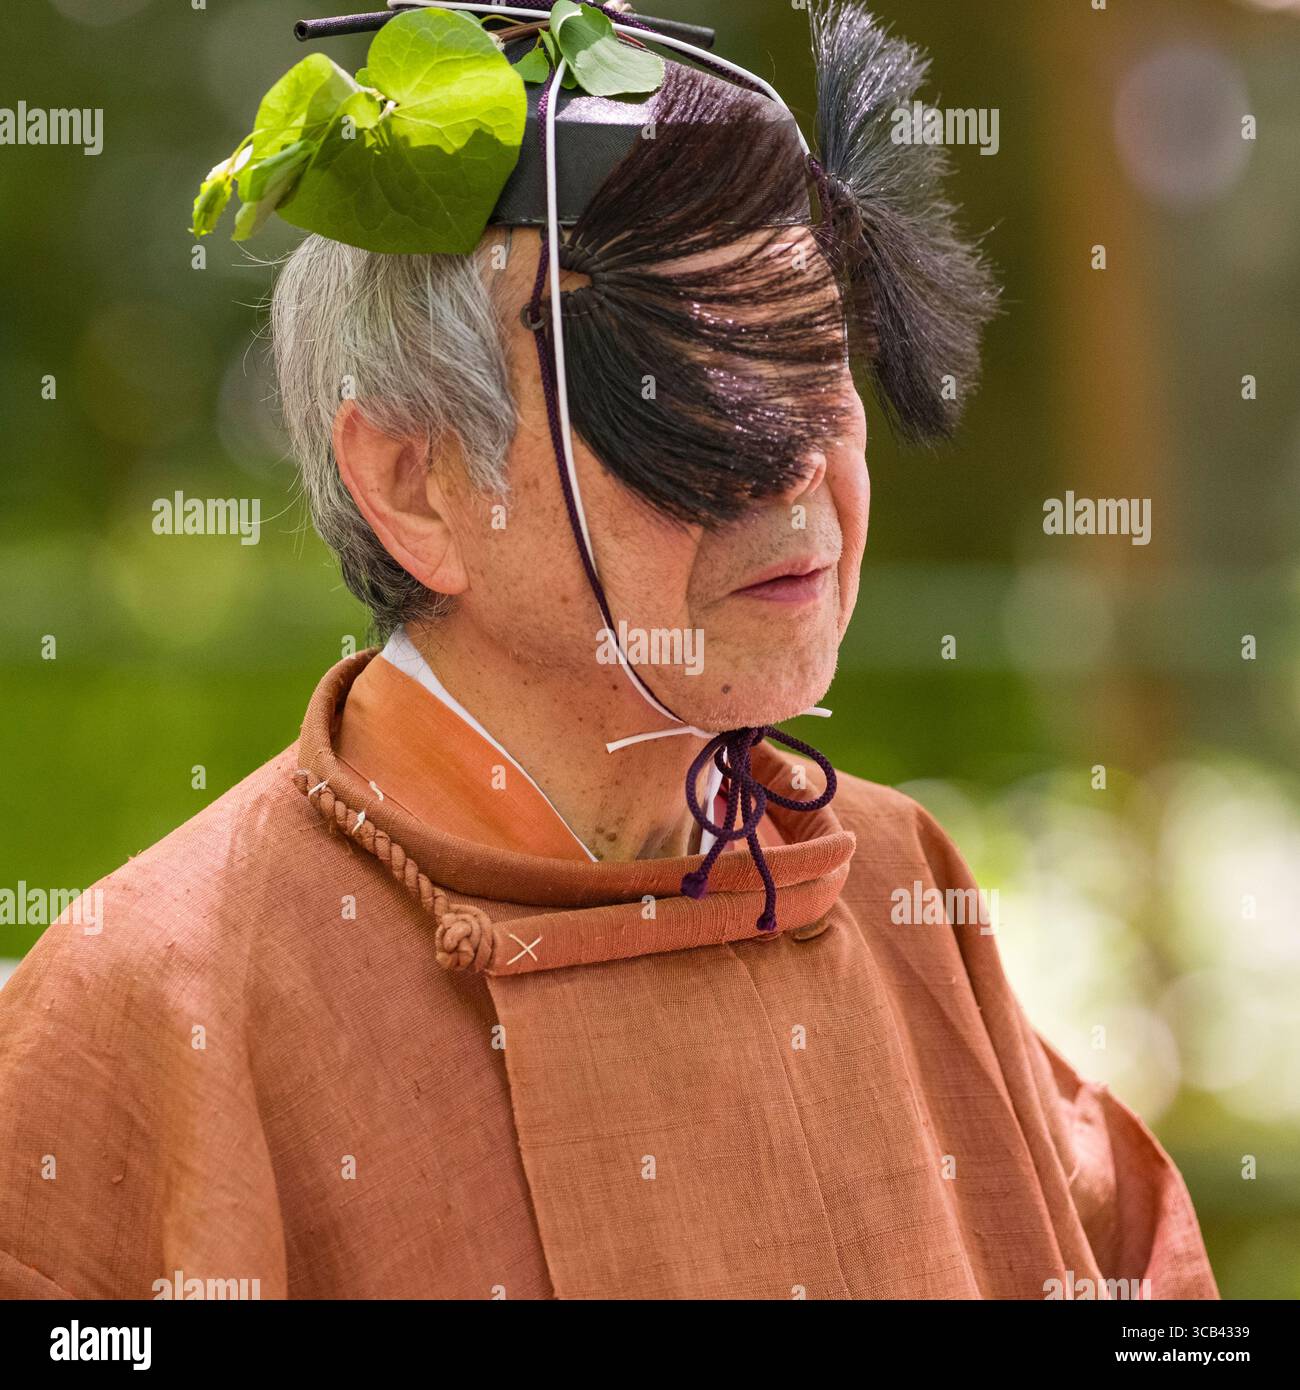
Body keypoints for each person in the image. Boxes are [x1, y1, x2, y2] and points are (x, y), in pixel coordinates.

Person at [0, 1, 1218, 1299]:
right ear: (415, 484)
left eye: (817, 357)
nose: (803, 467)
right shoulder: (165, 993)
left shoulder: (896, 883)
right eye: (682, 384)